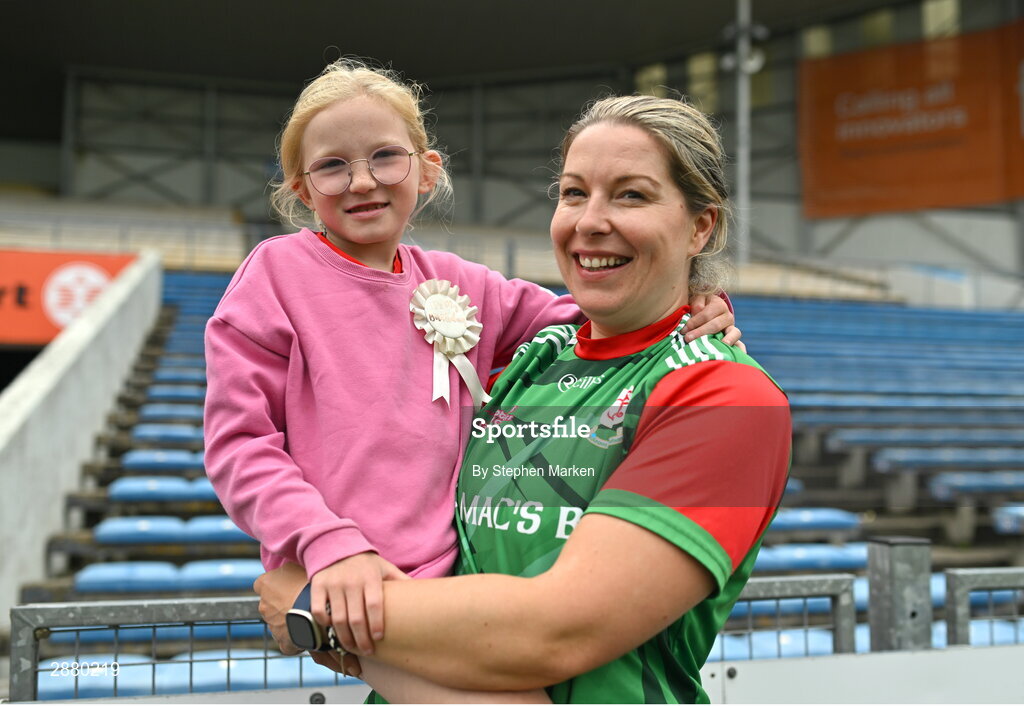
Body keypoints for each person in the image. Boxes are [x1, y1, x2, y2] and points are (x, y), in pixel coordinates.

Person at [204, 60, 741, 674]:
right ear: (300, 188)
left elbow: (589, 312)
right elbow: (238, 445)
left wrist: (699, 301)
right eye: (331, 165)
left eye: (385, 156)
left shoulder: (462, 284)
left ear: (427, 170)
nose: (361, 182)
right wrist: (326, 542)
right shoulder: (273, 277)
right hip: (341, 579)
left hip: (449, 591)